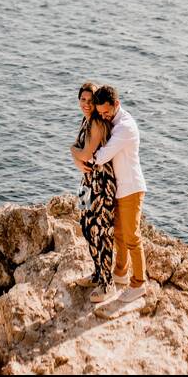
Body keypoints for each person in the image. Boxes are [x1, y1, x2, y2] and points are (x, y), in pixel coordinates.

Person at [87, 85, 147, 307]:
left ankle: (139, 283)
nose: (104, 117)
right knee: (119, 234)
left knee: (132, 236)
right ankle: (120, 273)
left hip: (131, 188)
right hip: (120, 189)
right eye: (101, 113)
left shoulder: (125, 127)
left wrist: (82, 155)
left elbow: (102, 155)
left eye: (106, 113)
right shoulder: (112, 121)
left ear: (117, 104)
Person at [70, 83, 117, 302]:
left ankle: (108, 284)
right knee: (86, 227)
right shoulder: (85, 121)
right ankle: (97, 273)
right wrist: (76, 159)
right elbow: (82, 157)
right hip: (86, 182)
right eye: (83, 100)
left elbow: (86, 153)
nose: (87, 104)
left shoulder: (97, 124)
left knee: (102, 233)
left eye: (90, 101)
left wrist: (72, 151)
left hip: (101, 183)